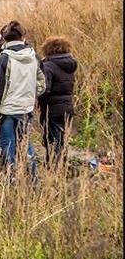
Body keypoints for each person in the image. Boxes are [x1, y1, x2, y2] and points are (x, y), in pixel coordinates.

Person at [0, 21, 45, 176]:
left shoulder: (2, 60)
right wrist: (31, 95)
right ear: (23, 37)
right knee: (25, 144)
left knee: (8, 145)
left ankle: (10, 178)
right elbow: (42, 83)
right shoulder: (34, 58)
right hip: (26, 109)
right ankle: (33, 178)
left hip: (7, 111)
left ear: (5, 39)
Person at [38, 36, 77, 169]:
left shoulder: (48, 66)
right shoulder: (70, 66)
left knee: (53, 141)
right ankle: (61, 166)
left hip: (52, 109)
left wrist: (38, 101)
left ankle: (54, 168)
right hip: (68, 107)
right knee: (63, 140)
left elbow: (45, 90)